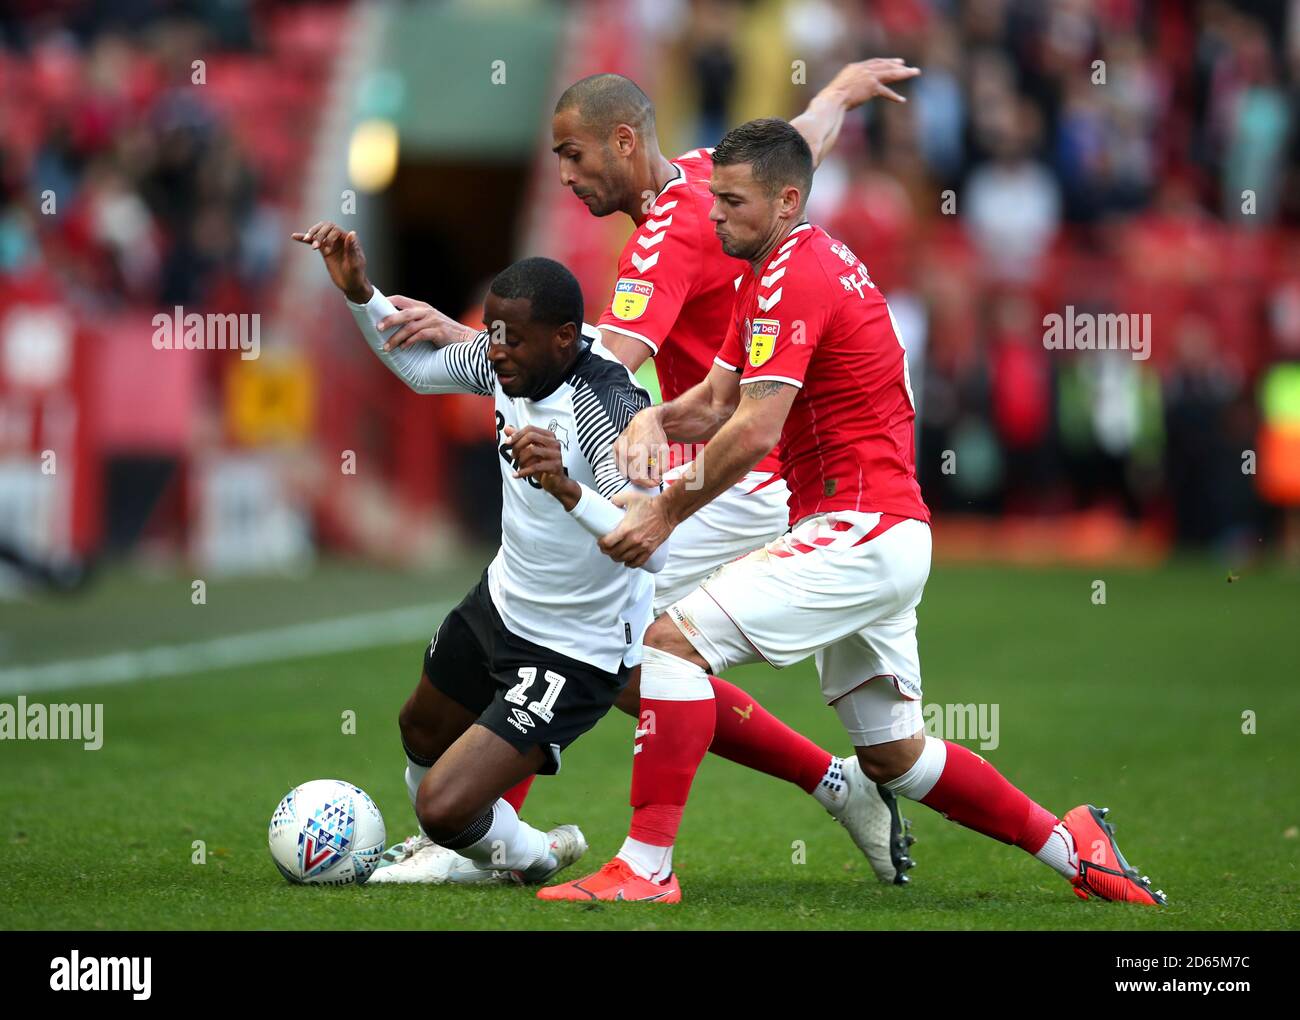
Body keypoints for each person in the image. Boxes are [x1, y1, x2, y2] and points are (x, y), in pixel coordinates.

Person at [540, 119, 1166, 906]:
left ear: (787, 199)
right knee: (897, 756)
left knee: (667, 645)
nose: (714, 215)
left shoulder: (793, 274)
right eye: (713, 197)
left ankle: (644, 867)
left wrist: (663, 512)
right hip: (877, 530)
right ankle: (1071, 845)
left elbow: (756, 429)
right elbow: (714, 400)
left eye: (731, 201)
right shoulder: (772, 267)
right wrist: (653, 421)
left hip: (858, 528)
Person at [374, 62, 925, 886]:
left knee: (584, 626)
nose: (565, 176)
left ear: (624, 141)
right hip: (747, 458)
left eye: (575, 156)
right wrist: (836, 95)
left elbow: (595, 365)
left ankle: (492, 838)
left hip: (732, 468)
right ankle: (838, 784)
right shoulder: (713, 173)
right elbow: (800, 143)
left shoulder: (666, 236)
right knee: (629, 665)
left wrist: (474, 339)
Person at [293, 221, 666, 886]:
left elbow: (650, 543)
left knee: (441, 807)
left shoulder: (609, 404)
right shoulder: (510, 359)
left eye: (511, 339)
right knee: (419, 733)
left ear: (563, 338)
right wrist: (362, 295)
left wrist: (566, 488)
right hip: (502, 605)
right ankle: (491, 851)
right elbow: (420, 368)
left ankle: (529, 858)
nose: (494, 353)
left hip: (576, 648)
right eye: (489, 334)